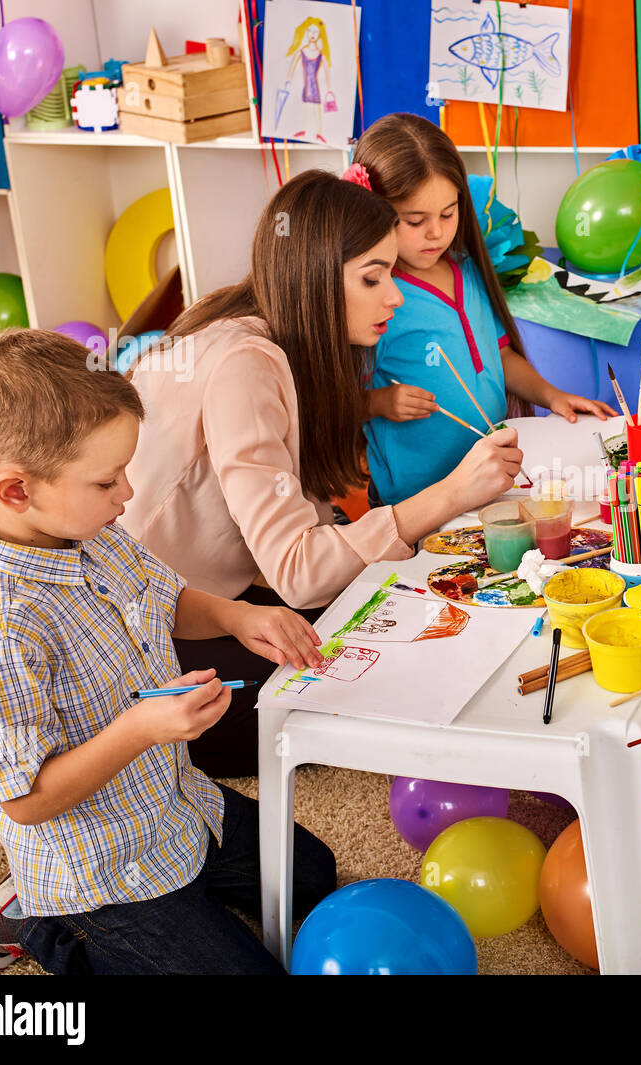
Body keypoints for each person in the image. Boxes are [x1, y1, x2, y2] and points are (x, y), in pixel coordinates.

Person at [0, 330, 334, 974]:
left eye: (126, 470)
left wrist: (237, 616)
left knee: (314, 874)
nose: (127, 493)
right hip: (99, 872)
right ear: (16, 492)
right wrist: (142, 729)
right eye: (106, 480)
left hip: (176, 804)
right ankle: (47, 929)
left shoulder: (95, 531)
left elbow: (166, 597)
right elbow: (25, 800)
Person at [122, 168, 523, 777]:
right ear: (314, 278)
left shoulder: (261, 325)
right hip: (143, 634)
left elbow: (296, 524)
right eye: (373, 277)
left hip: (204, 596)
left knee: (392, 616)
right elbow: (298, 573)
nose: (396, 297)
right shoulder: (245, 362)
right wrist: (449, 495)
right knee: (359, 689)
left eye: (392, 273)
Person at [351, 112, 615, 507]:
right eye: (415, 220)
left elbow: (501, 355)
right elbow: (333, 400)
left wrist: (552, 395)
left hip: (489, 485)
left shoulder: (468, 270)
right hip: (416, 501)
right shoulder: (377, 297)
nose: (436, 232)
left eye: (448, 213)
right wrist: (380, 402)